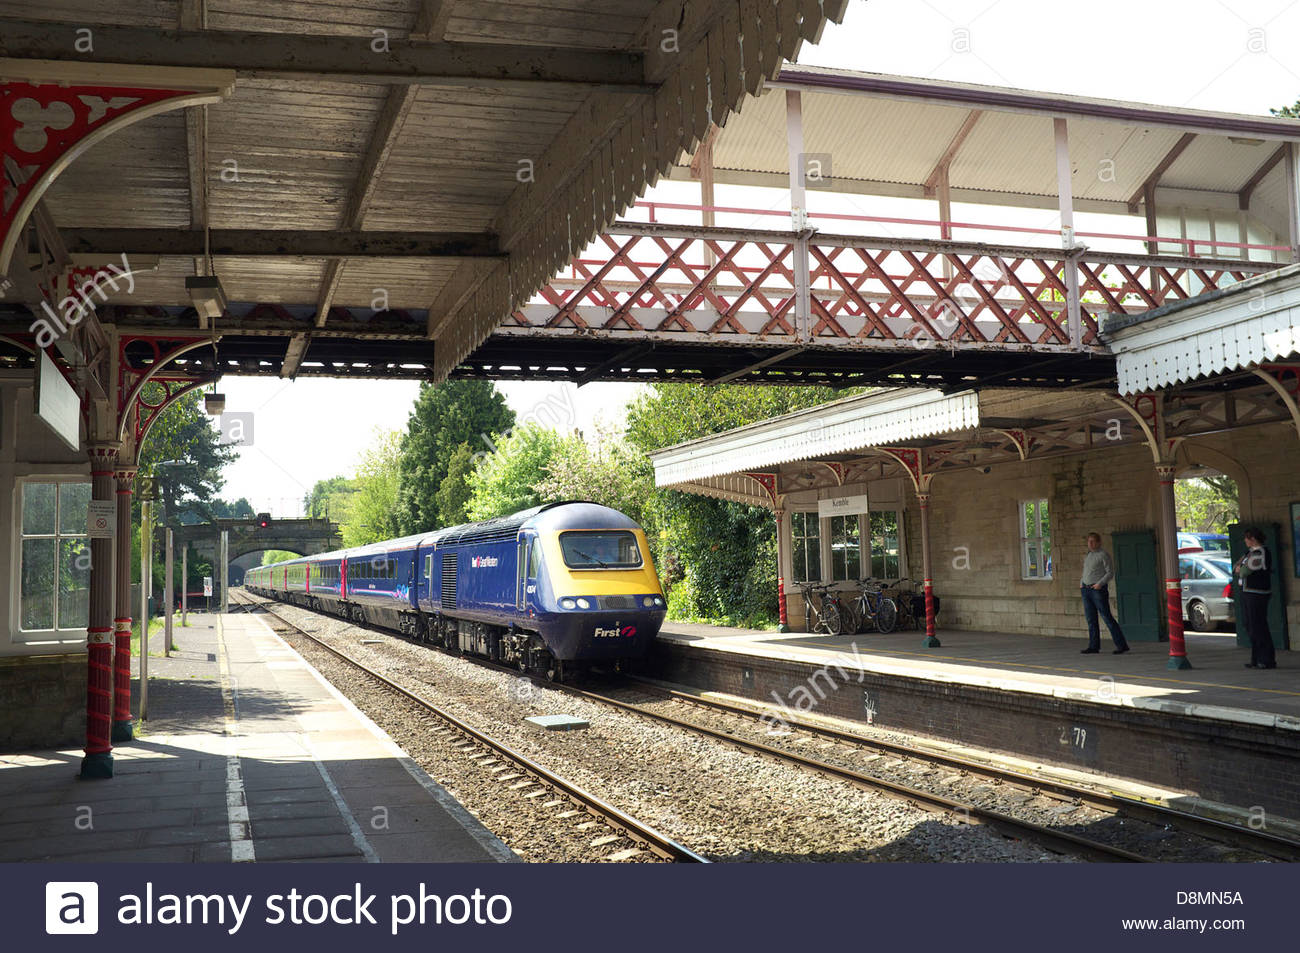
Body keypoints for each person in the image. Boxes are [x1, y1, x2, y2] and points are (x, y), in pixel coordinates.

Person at [1079, 532, 1129, 654]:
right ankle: (1093, 646)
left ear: (1098, 542)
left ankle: (1121, 645)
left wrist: (1100, 584)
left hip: (1097, 590)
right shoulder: (1089, 555)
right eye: (1088, 541)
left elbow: (1110, 572)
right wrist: (1081, 582)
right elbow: (1086, 571)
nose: (1090, 544)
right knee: (1091, 619)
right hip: (1086, 589)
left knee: (1106, 617)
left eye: (1092, 541)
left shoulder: (1103, 555)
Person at [1235, 528, 1276, 669]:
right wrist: (1240, 567)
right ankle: (1256, 658)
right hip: (1247, 593)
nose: (1245, 541)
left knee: (1258, 625)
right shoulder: (1249, 553)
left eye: (1247, 538)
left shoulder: (1260, 553)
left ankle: (1267, 659)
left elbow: (1244, 571)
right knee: (1250, 625)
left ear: (1253, 539)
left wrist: (1241, 568)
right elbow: (1236, 567)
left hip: (1257, 593)